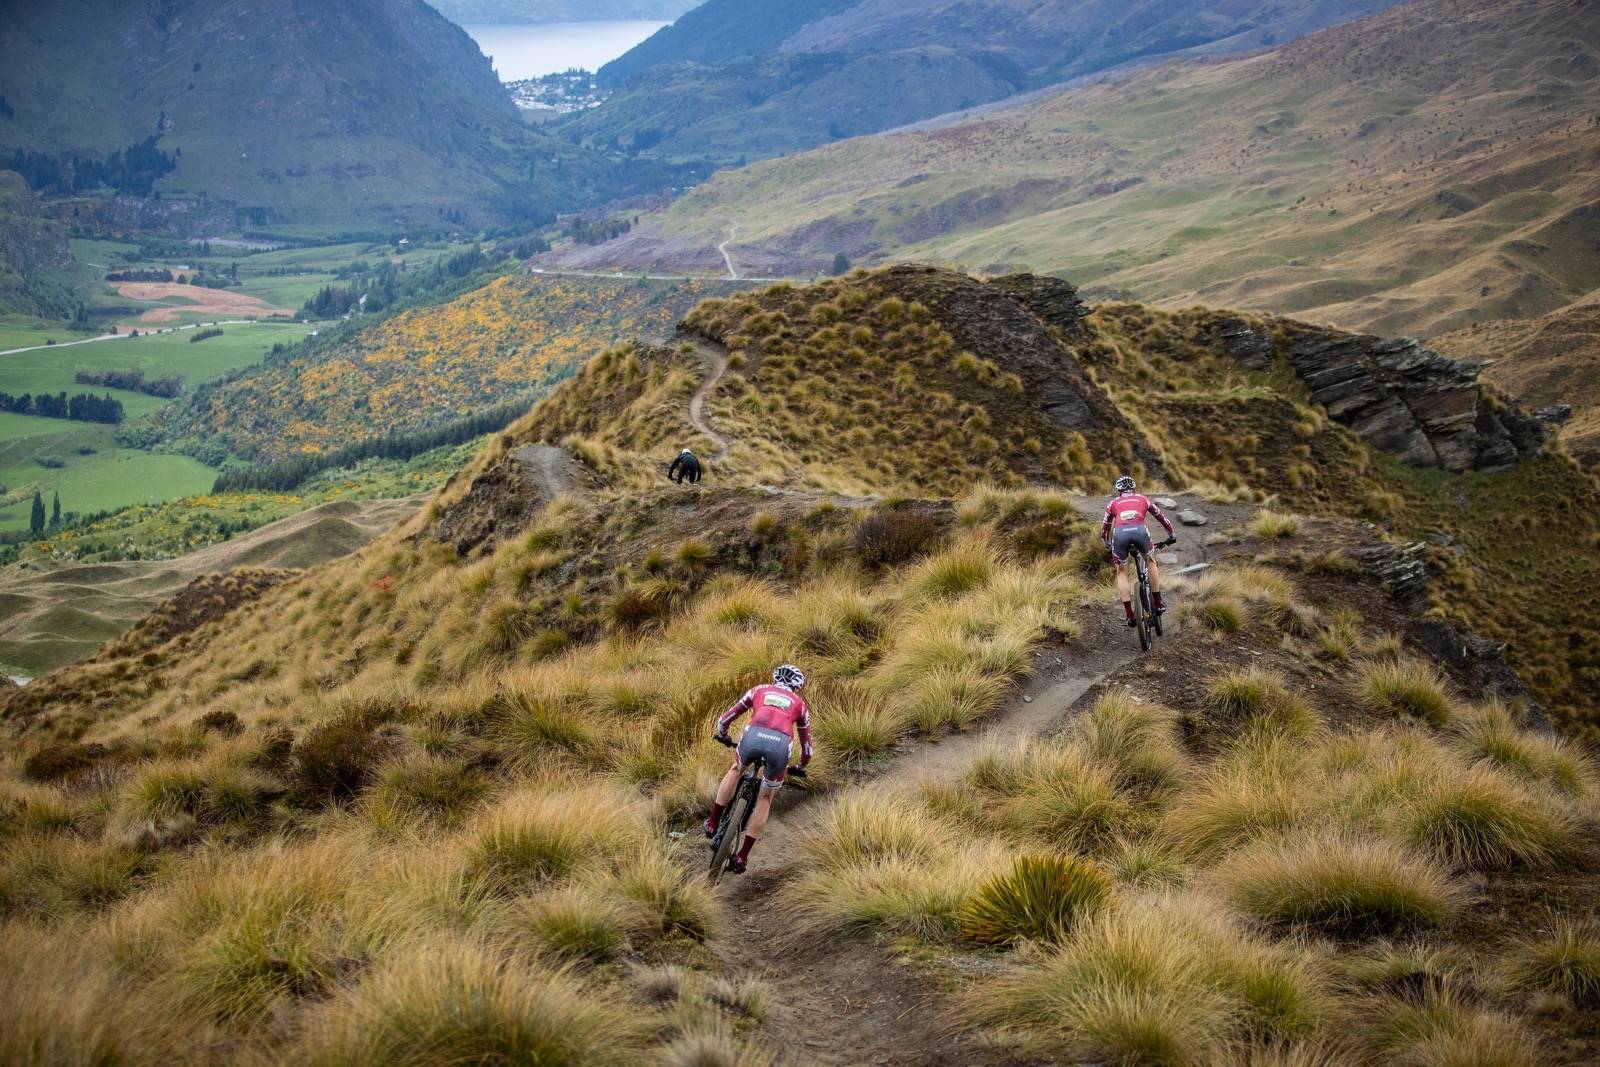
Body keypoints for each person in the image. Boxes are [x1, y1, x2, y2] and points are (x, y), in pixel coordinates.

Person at [704, 664, 812, 874]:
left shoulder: (759, 690)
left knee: (736, 769)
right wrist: (801, 766)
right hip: (780, 746)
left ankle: (713, 823)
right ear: (797, 687)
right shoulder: (800, 704)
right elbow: (807, 748)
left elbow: (726, 717)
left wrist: (723, 734)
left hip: (753, 736)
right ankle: (742, 856)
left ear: (775, 679)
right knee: (765, 798)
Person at [1100, 475, 1175, 626]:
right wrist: (1171, 534)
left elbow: (1104, 529)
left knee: (1121, 572)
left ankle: (1129, 614)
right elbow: (1162, 517)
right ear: (1133, 488)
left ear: (1119, 491)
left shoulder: (1112, 503)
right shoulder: (1143, 499)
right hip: (1140, 532)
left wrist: (1107, 543)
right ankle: (1158, 602)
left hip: (1120, 536)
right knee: (1151, 560)